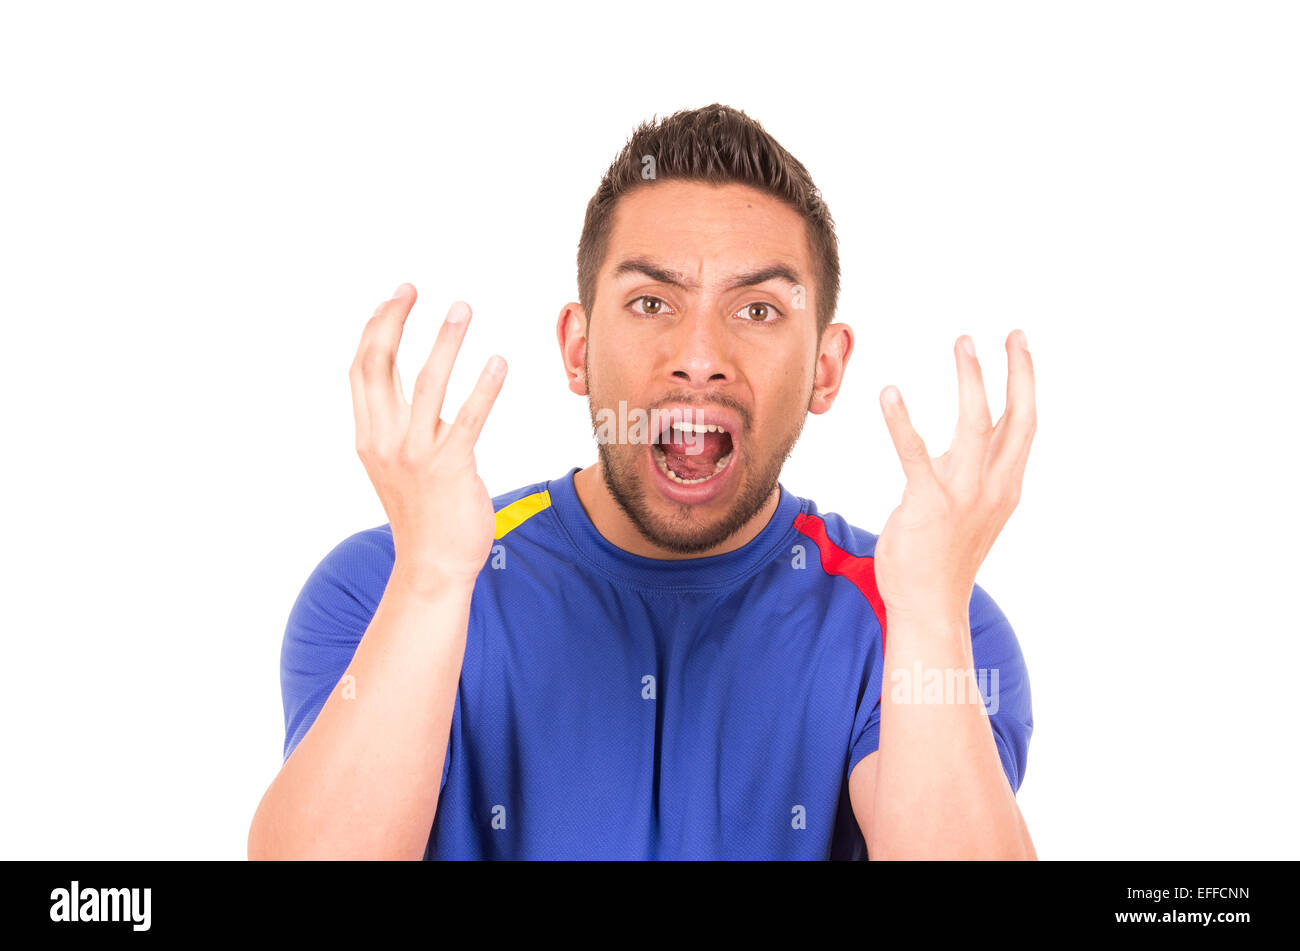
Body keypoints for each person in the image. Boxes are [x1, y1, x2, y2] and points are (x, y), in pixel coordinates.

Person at [247, 104, 1038, 860]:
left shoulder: (930, 620)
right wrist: (427, 583)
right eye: (652, 301)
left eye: (758, 310)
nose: (699, 354)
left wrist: (932, 613)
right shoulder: (384, 585)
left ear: (825, 370)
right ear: (578, 349)